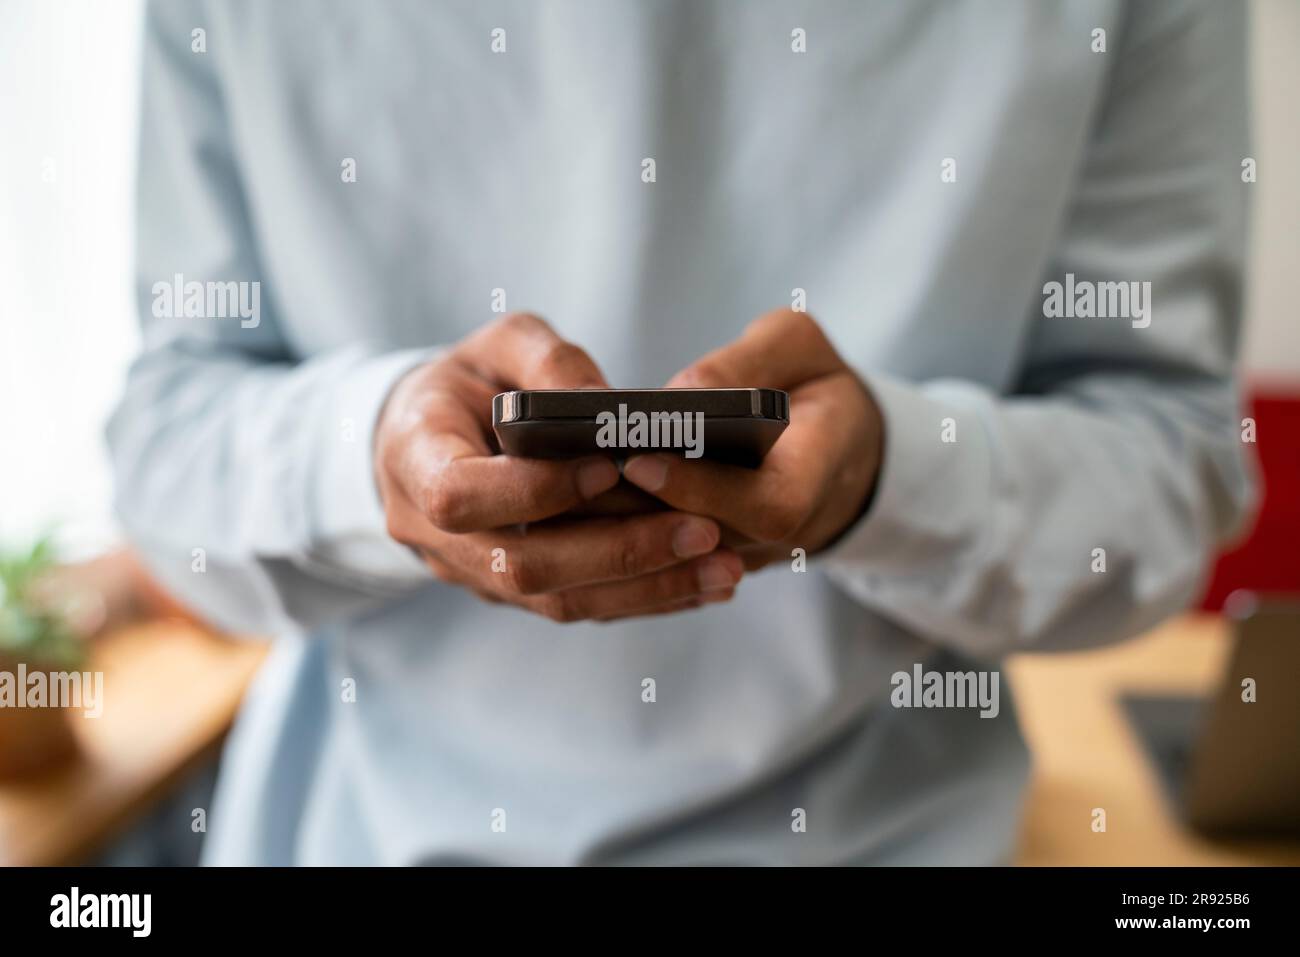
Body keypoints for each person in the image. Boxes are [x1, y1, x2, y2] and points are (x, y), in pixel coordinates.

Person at [109, 0, 1253, 865]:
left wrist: (889, 480)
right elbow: (166, 451)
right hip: (370, 830)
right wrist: (367, 455)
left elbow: (1170, 459)